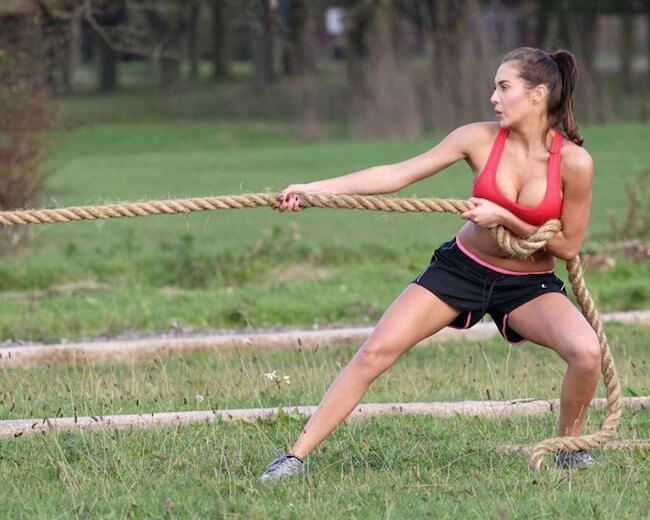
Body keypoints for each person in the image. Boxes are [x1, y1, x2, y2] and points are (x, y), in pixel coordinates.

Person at [259, 47, 599, 481]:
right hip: (461, 269)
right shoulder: (477, 138)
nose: (493, 97)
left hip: (528, 284)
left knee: (586, 353)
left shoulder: (573, 162)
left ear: (538, 94)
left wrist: (505, 217)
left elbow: (568, 245)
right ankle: (295, 457)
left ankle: (569, 448)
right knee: (375, 352)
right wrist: (312, 189)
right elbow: (396, 175)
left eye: (503, 87)